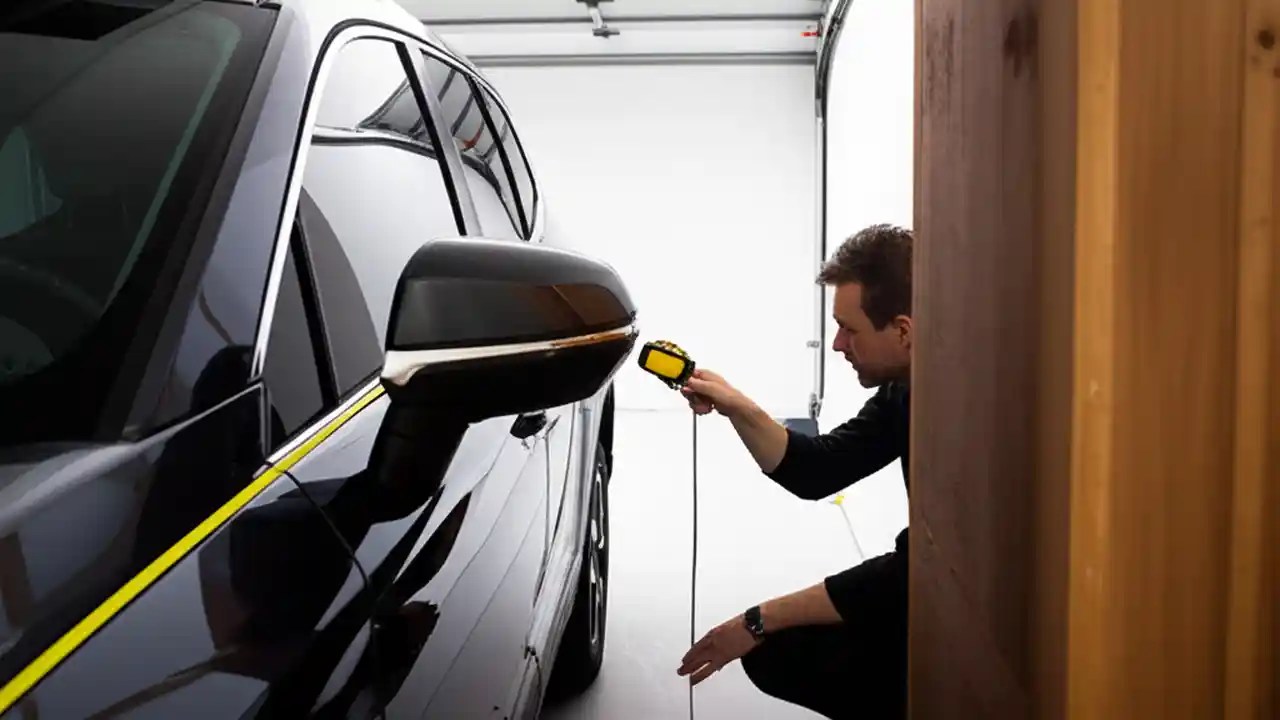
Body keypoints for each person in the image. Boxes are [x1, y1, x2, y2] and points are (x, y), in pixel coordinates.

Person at [675, 224, 913, 719]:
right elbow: (817, 470)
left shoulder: (964, 414)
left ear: (903, 331)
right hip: (924, 594)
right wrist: (736, 405)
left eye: (850, 328)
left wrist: (757, 620)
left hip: (973, 621)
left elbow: (915, 574)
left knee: (777, 645)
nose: (837, 344)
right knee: (776, 652)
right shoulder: (907, 390)